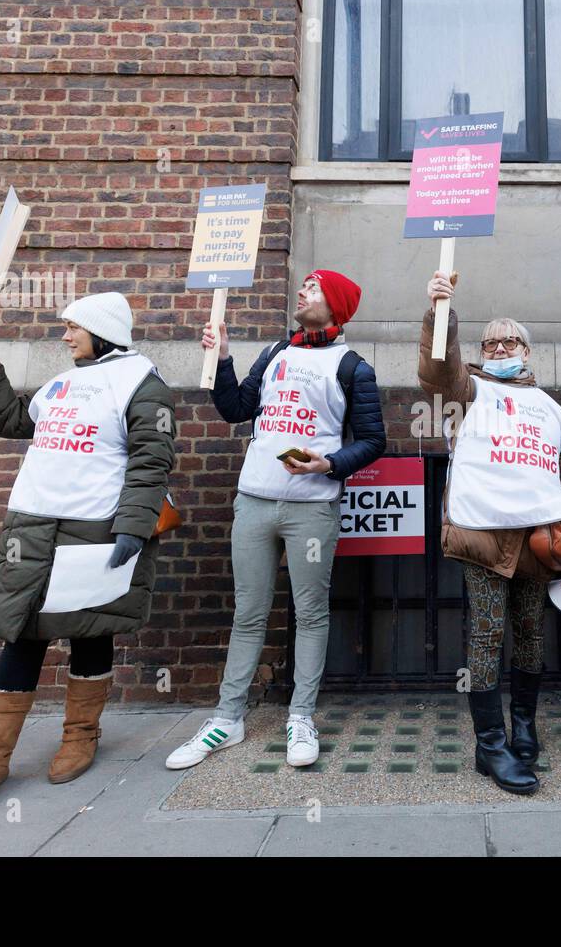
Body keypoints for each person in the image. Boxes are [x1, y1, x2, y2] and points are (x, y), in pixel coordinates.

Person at [0, 292, 177, 821]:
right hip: (33, 526)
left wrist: (134, 529)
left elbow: (152, 460)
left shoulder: (142, 384)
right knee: (21, 634)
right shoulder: (63, 382)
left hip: (94, 528)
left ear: (102, 331)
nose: (66, 336)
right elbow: (11, 420)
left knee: (89, 632)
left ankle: (81, 736)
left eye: (73, 328)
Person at [165, 270, 385, 771]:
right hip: (254, 500)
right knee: (249, 613)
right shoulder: (273, 353)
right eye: (303, 285)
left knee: (309, 612)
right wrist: (222, 357)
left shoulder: (353, 367)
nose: (302, 292)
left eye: (313, 288)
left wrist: (328, 464)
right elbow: (234, 408)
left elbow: (374, 440)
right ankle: (228, 718)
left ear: (335, 305)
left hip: (312, 506)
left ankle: (301, 716)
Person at [419, 271, 561, 796]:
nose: (499, 347)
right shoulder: (468, 390)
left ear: (527, 350)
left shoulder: (553, 411)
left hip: (540, 539)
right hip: (485, 535)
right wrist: (439, 312)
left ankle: (523, 726)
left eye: (509, 340)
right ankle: (490, 743)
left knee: (531, 635)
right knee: (487, 634)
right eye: (490, 341)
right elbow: (436, 371)